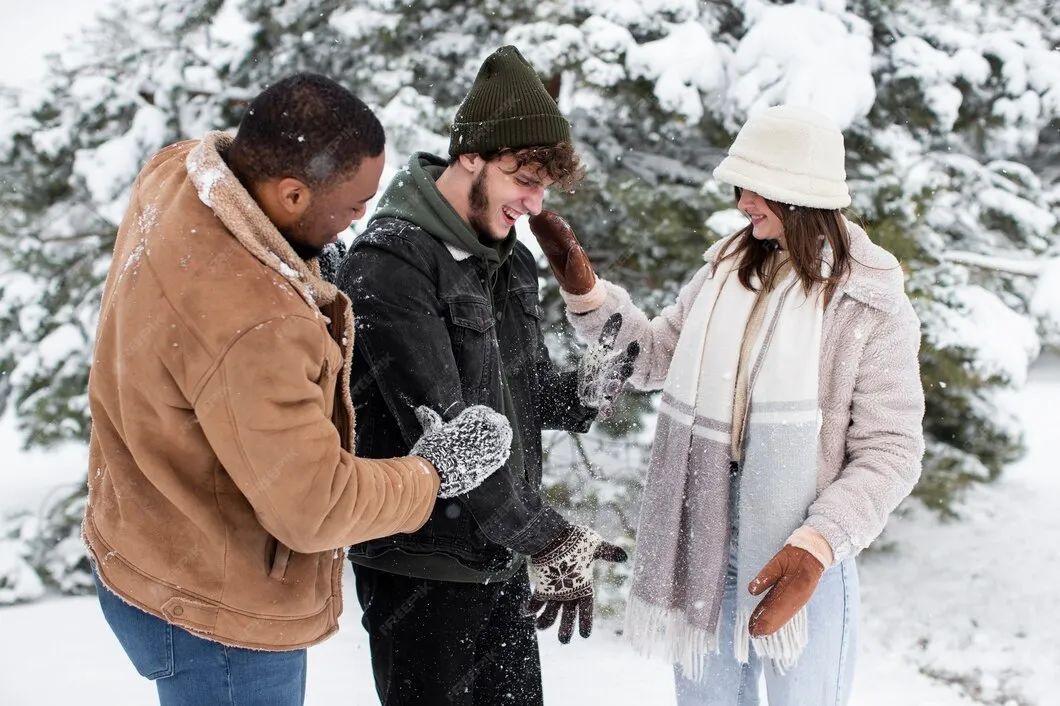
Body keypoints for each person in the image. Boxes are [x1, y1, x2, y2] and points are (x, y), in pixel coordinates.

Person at [83, 73, 514, 706]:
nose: (361, 219)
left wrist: (300, 269)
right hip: (219, 615)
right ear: (289, 194)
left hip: (147, 540)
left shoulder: (180, 174)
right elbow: (316, 506)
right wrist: (432, 473)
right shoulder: (258, 325)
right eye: (351, 204)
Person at [532, 104, 926, 705]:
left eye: (757, 187)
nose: (743, 200)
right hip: (707, 532)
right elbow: (658, 356)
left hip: (803, 547)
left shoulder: (867, 300)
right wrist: (588, 295)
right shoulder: (728, 268)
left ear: (801, 192)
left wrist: (817, 545)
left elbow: (891, 451)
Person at [334, 46, 636, 705]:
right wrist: (550, 537)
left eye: (545, 187)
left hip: (499, 561)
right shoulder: (393, 262)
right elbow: (450, 440)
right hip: (420, 569)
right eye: (522, 177)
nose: (534, 201)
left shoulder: (511, 264)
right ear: (470, 154)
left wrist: (595, 382)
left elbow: (526, 393)